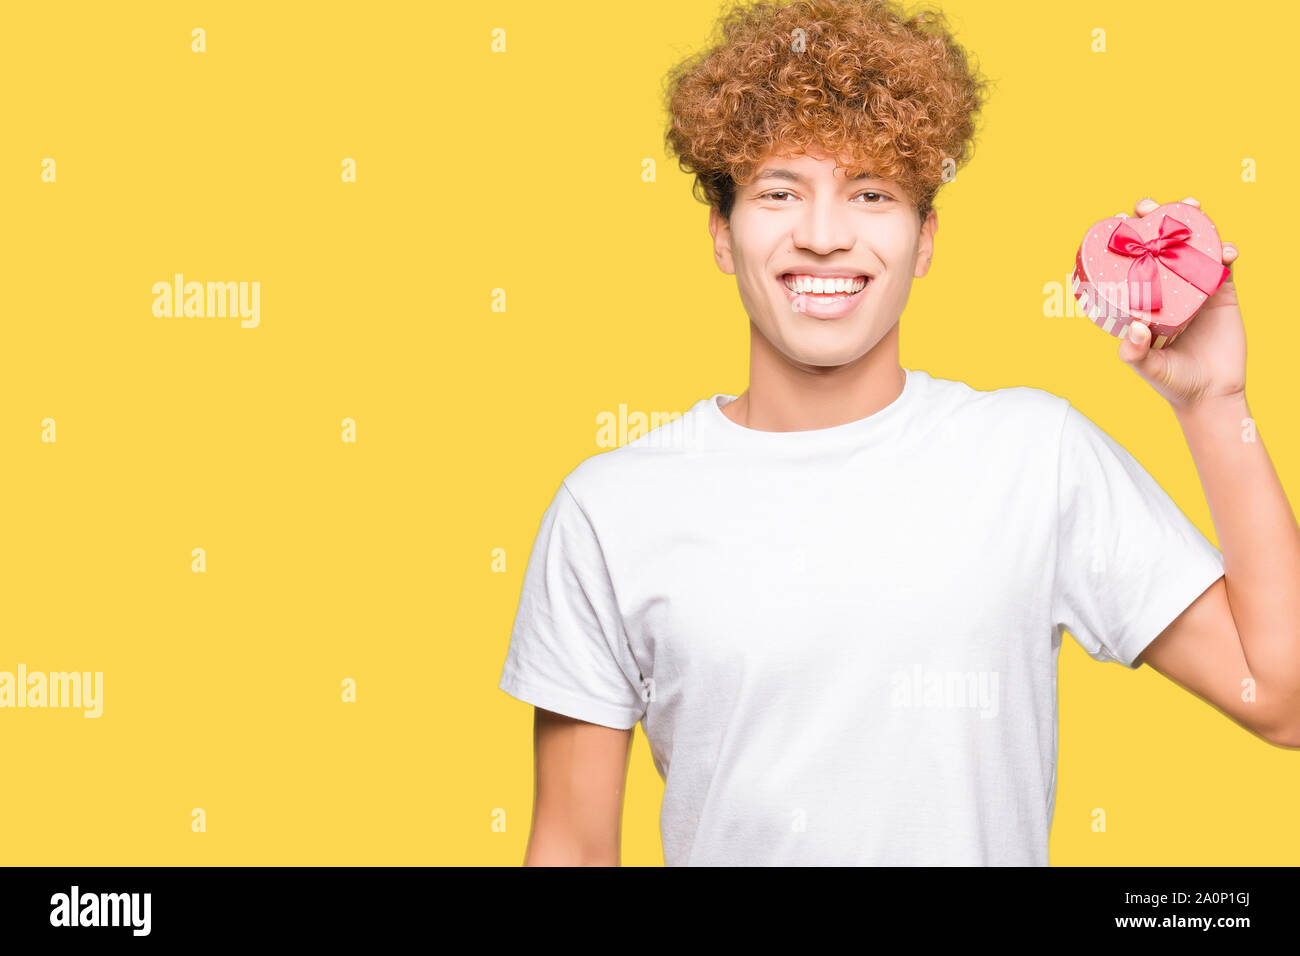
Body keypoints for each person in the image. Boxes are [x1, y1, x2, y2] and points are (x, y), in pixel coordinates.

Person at [497, 0, 1300, 866]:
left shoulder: (1034, 456)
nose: (824, 235)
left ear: (924, 242)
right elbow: (573, 850)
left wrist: (1217, 403)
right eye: (779, 192)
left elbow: (1284, 698)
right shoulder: (609, 510)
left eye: (871, 192)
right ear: (723, 235)